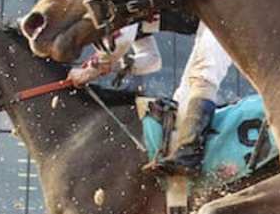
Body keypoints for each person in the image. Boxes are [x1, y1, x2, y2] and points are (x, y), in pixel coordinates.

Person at [68, 17, 234, 177]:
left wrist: (90, 71)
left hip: (222, 11)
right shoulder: (123, 22)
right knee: (183, 99)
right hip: (206, 22)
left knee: (203, 77)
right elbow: (153, 60)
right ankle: (189, 165)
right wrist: (115, 66)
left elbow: (122, 40)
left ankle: (190, 155)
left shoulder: (114, 10)